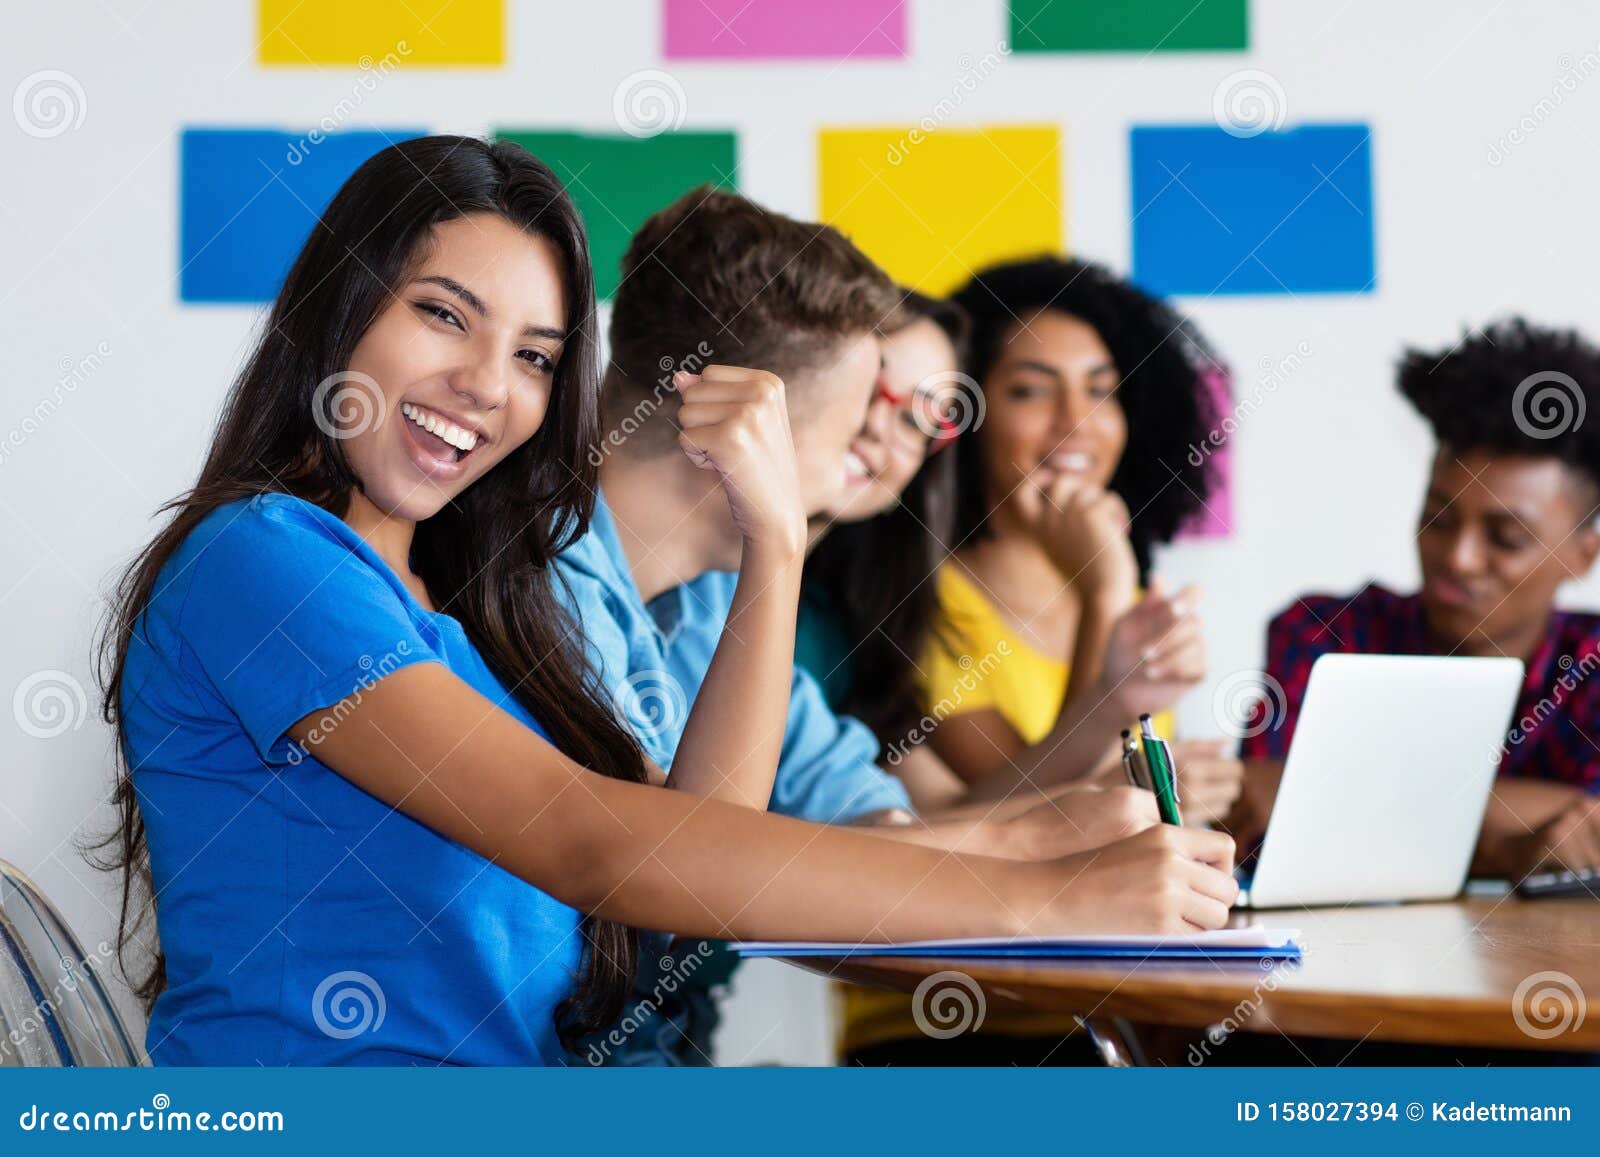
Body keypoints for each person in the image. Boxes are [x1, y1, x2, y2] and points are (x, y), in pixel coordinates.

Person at [98, 138, 1237, 1067]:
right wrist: (1039, 891)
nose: (490, 385)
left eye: (538, 356)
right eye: (444, 314)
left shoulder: (458, 598)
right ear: (343, 304)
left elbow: (696, 859)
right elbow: (595, 843)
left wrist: (779, 548)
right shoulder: (265, 562)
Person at [555, 192, 1225, 1064]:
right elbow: (693, 871)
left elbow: (869, 830)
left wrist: (1060, 833)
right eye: (861, 414)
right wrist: (1034, 847)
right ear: (744, 420)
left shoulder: (714, 606)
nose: (880, 446)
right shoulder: (531, 591)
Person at [1234, 319, 1600, 879]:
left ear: (1583, 554)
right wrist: (1516, 843)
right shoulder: (1325, 632)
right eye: (1439, 518)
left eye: (1506, 539)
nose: (1460, 558)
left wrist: (1339, 796)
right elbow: (1259, 805)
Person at [913, 257, 1242, 817]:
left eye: (1100, 391)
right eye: (1031, 391)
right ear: (967, 415)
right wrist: (1103, 590)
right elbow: (1021, 821)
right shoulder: (925, 610)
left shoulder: (1132, 592)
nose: (1077, 422)